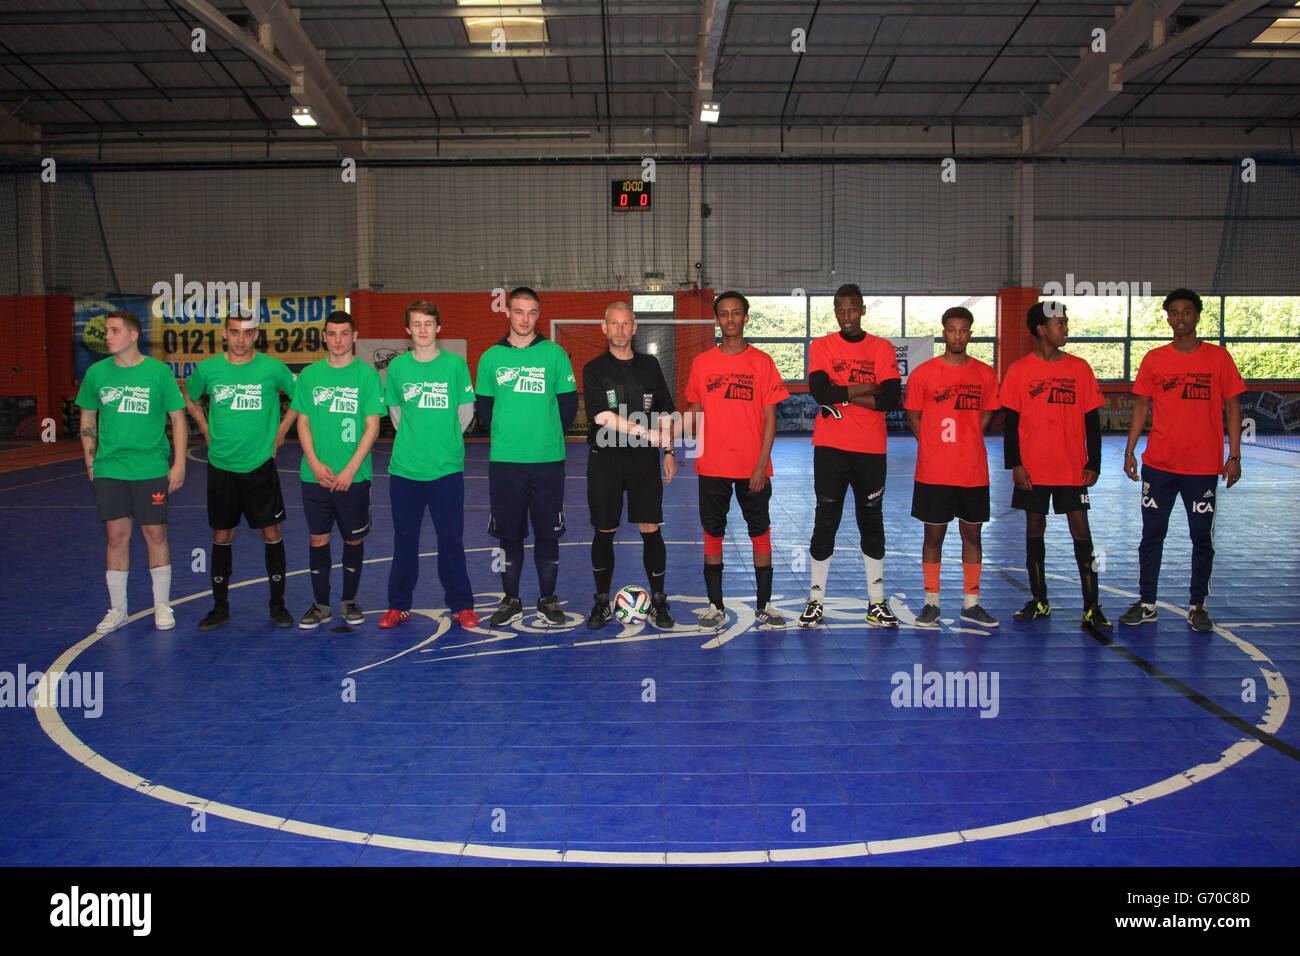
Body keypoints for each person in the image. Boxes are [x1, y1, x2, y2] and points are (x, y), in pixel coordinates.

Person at [1121, 288, 1244, 633]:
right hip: (1159, 464)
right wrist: (1130, 452)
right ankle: (1147, 604)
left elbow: (1234, 406)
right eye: (1173, 312)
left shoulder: (1218, 359)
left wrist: (1234, 455)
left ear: (1197, 316)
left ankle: (1198, 605)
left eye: (1186, 312)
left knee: (1201, 537)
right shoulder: (1154, 360)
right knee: (1152, 535)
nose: (1180, 318)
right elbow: (1141, 406)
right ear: (1167, 317)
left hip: (1203, 467)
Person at [185, 309, 298, 630]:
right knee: (222, 534)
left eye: (247, 333)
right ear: (225, 333)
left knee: (271, 532)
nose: (240, 339)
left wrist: (280, 433)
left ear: (256, 336)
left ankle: (278, 605)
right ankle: (219, 607)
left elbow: (301, 398)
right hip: (222, 466)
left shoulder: (272, 369)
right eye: (234, 332)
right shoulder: (207, 369)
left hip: (260, 466)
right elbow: (190, 398)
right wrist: (205, 430)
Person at [683, 291, 790, 628]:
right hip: (712, 464)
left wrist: (761, 464)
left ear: (746, 317)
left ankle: (765, 605)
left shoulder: (762, 362)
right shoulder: (702, 363)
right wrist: (663, 434)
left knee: (760, 533)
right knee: (712, 534)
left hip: (751, 467)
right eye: (724, 314)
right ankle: (715, 605)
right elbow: (694, 411)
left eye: (736, 313)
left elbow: (771, 419)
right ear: (717, 320)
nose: (730, 319)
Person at [1001, 302, 1110, 631]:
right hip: (1033, 469)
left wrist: (1094, 463)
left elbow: (1093, 421)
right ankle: (1039, 600)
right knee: (1034, 530)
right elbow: (1011, 425)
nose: (1066, 328)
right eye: (1060, 323)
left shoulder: (1080, 368)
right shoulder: (1019, 371)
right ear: (1041, 329)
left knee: (1082, 533)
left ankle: (1092, 607)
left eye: (1066, 322)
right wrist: (1015, 465)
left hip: (1071, 469)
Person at [77, 309, 187, 633]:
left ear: (132, 334)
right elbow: (87, 418)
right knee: (116, 537)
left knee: (155, 534)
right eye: (106, 331)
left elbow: (178, 418)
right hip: (110, 468)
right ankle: (118, 609)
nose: (107, 336)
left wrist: (178, 463)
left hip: (151, 467)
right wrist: (90, 461)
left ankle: (162, 606)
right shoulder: (96, 373)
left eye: (113, 330)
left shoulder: (158, 373)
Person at [800, 283, 902, 629]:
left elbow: (890, 400)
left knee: (871, 523)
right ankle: (815, 601)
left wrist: (840, 395)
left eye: (852, 310)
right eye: (840, 311)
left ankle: (876, 603)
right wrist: (864, 387)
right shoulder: (823, 345)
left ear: (862, 310)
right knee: (825, 520)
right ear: (835, 312)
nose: (847, 317)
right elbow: (818, 393)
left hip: (871, 450)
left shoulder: (882, 348)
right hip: (830, 448)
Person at [474, 287, 578, 627]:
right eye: (519, 311)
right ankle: (511, 599)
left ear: (538, 314)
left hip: (547, 461)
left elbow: (567, 405)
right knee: (509, 536)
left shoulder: (554, 354)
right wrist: (509, 436)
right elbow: (485, 408)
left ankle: (547, 598)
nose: (525, 318)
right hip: (505, 462)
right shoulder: (490, 357)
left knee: (548, 534)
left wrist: (546, 436)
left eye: (532, 312)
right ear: (508, 312)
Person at [380, 300, 480, 630]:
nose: (423, 330)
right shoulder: (397, 368)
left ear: (439, 327)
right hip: (405, 472)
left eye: (428, 323)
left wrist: (443, 440)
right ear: (407, 330)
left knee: (450, 540)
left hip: (446, 470)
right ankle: (398, 605)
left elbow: (465, 413)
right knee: (404, 541)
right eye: (416, 324)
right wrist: (418, 440)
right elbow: (396, 416)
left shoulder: (454, 365)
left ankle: (462, 605)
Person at [582, 301, 677, 629]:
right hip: (605, 460)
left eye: (626, 324)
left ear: (634, 328)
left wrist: (668, 451)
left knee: (650, 529)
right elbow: (603, 417)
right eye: (614, 323)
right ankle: (601, 603)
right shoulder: (594, 369)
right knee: (604, 530)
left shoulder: (650, 366)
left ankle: (660, 603)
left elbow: (665, 412)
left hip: (643, 461)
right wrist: (647, 432)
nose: (620, 329)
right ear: (604, 327)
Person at [904, 306, 1000, 628]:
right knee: (934, 535)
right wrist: (929, 442)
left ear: (970, 334)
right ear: (943, 333)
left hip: (973, 469)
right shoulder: (924, 374)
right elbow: (913, 414)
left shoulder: (985, 374)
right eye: (951, 330)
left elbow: (987, 414)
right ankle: (931, 602)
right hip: (935, 470)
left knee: (972, 534)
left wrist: (969, 437)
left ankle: (971, 603)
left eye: (963, 330)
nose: (957, 336)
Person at [291, 310, 384, 629]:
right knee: (318, 539)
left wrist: (350, 469)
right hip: (314, 476)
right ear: (325, 337)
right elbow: (302, 422)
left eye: (345, 333)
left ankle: (349, 600)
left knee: (353, 540)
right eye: (332, 334)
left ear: (355, 336)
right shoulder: (310, 376)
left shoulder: (367, 376)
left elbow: (372, 427)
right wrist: (314, 463)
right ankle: (320, 604)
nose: (338, 340)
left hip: (353, 477)